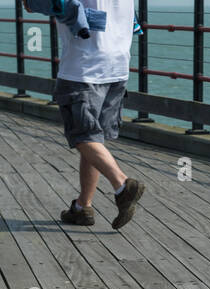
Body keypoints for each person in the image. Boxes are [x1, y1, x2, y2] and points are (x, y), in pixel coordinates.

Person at [48, 0, 145, 228]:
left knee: (83, 136)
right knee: (94, 139)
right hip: (118, 66)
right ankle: (83, 207)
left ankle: (122, 186)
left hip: (83, 69)